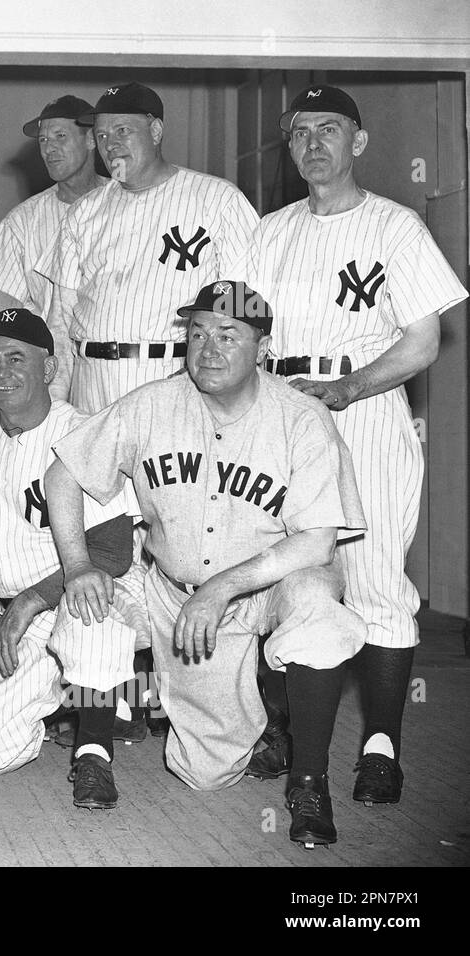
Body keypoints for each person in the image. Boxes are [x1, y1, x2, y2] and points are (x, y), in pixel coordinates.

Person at [45, 280, 368, 846]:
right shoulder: (151, 404)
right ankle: (250, 722)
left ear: (263, 349)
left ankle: (310, 781)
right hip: (175, 595)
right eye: (197, 333)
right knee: (203, 773)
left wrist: (222, 587)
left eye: (228, 334)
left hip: (265, 588)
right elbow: (64, 472)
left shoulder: (302, 419)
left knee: (319, 604)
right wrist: (76, 564)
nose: (209, 348)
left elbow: (317, 541)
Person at [242, 85, 469, 807]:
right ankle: (280, 729)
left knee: (375, 584)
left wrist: (351, 389)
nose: (314, 144)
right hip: (282, 414)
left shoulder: (395, 226)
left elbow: (424, 340)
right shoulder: (269, 231)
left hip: (363, 410)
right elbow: (243, 333)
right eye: (301, 132)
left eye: (330, 130)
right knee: (283, 575)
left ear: (359, 143)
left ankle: (381, 748)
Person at [0, 308, 138, 788]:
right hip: (8, 610)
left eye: (17, 358)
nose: (2, 372)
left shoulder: (82, 430)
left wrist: (30, 603)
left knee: (92, 604)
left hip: (73, 596)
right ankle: (58, 694)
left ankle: (95, 746)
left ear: (49, 369)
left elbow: (114, 552)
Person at [49, 83, 258, 413]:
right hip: (91, 382)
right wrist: (56, 409)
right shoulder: (84, 211)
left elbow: (245, 311)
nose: (111, 145)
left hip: (173, 379)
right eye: (102, 136)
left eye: (122, 130)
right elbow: (60, 323)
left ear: (156, 130)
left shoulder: (217, 200)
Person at [0, 94, 108, 401]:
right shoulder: (22, 221)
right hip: (53, 378)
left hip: (116, 368)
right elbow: (4, 324)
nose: (49, 148)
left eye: (61, 136)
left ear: (90, 139)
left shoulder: (125, 205)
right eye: (44, 140)